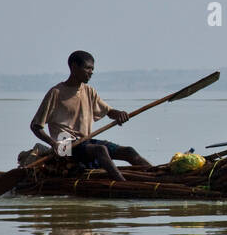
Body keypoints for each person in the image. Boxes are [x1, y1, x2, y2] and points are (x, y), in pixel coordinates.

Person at [30, 51, 151, 180]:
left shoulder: (89, 91)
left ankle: (159, 174)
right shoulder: (56, 93)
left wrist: (120, 114)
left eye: (92, 69)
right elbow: (35, 126)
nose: (91, 72)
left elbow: (109, 111)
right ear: (74, 67)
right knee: (100, 150)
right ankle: (123, 184)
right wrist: (54, 144)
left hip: (85, 142)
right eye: (87, 68)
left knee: (129, 151)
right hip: (65, 145)